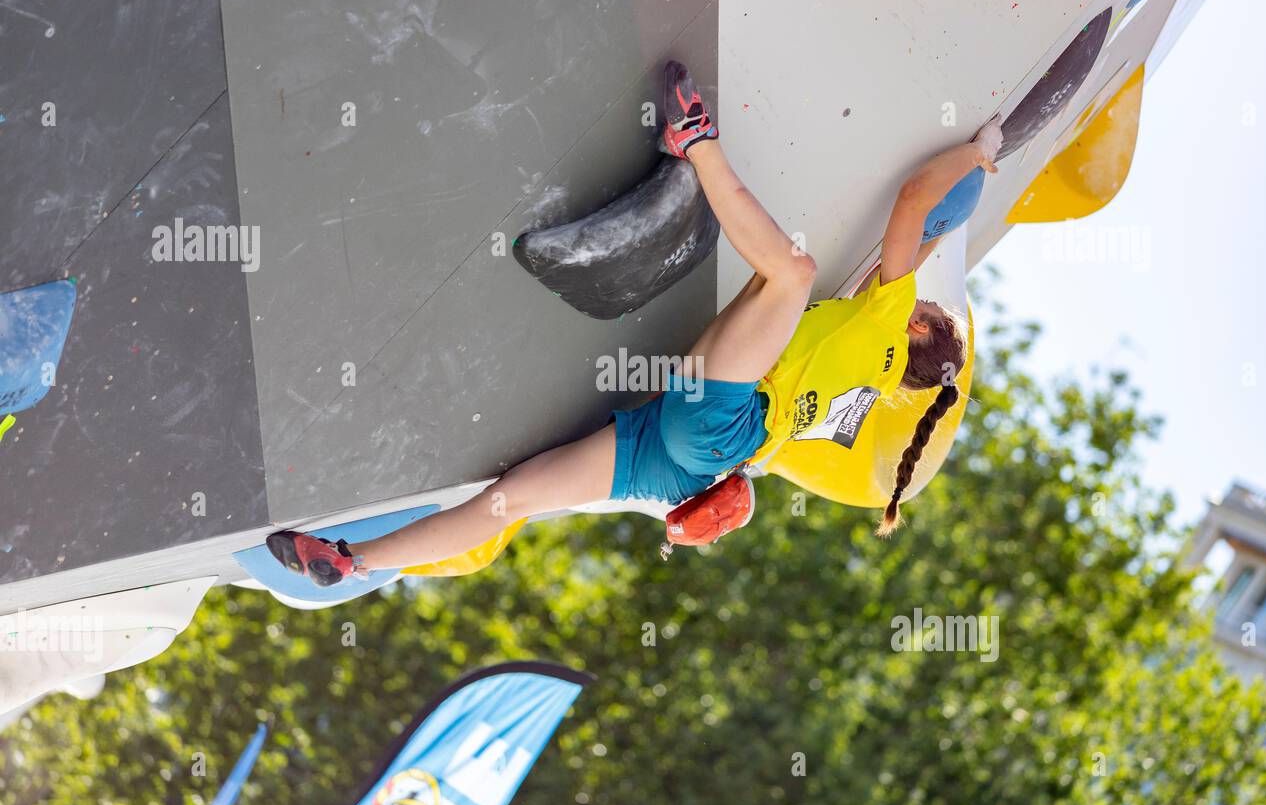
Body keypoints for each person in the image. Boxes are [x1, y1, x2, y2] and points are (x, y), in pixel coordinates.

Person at [266, 61, 1000, 586]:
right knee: (507, 501)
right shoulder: (868, 383)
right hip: (690, 466)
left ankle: (696, 138)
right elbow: (900, 265)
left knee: (792, 275)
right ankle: (352, 560)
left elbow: (912, 207)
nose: (919, 298)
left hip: (721, 428)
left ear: (916, 330)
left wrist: (978, 153)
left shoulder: (885, 321)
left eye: (927, 309)